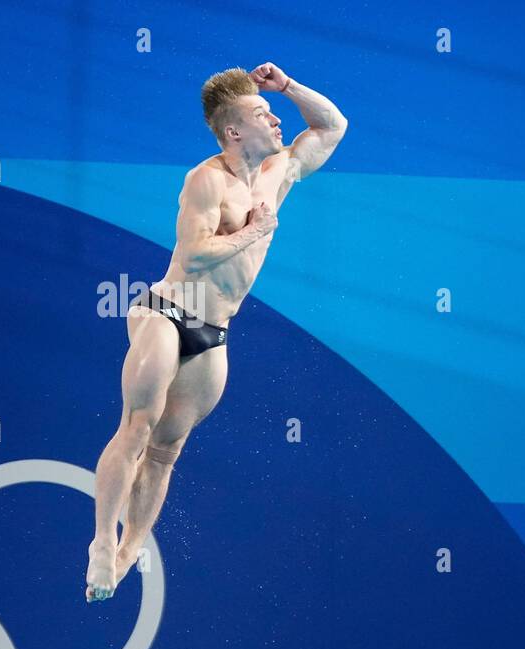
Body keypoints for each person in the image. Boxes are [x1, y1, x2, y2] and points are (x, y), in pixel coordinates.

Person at [85, 62, 347, 601]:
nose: (276, 119)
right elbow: (198, 254)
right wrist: (253, 231)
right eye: (262, 113)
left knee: (165, 450)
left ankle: (131, 546)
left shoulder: (279, 171)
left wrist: (289, 87)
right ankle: (98, 545)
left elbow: (332, 127)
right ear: (233, 131)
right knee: (137, 427)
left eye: (273, 111)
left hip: (215, 328)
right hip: (167, 309)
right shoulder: (206, 180)